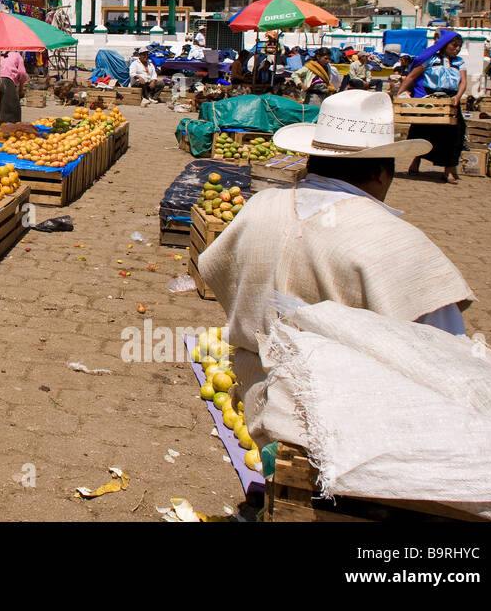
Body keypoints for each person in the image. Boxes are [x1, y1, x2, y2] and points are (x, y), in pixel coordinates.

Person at [199, 90, 473, 447]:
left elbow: (215, 269)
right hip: (344, 433)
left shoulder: (259, 207)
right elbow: (447, 358)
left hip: (259, 411)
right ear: (380, 172)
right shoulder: (398, 242)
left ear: (311, 161)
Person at [401, 29, 467, 184]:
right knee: (423, 131)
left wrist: (458, 97)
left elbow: (463, 82)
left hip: (451, 101)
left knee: (455, 133)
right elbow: (412, 76)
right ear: (445, 44)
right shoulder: (430, 60)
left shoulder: (459, 62)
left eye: (459, 46)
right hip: (431, 100)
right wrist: (400, 94)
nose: (456, 49)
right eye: (454, 45)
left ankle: (448, 171)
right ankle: (415, 162)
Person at [0, 49, 26, 126]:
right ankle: (5, 131)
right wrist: (21, 87)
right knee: (11, 111)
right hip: (7, 82)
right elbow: (22, 73)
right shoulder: (17, 56)